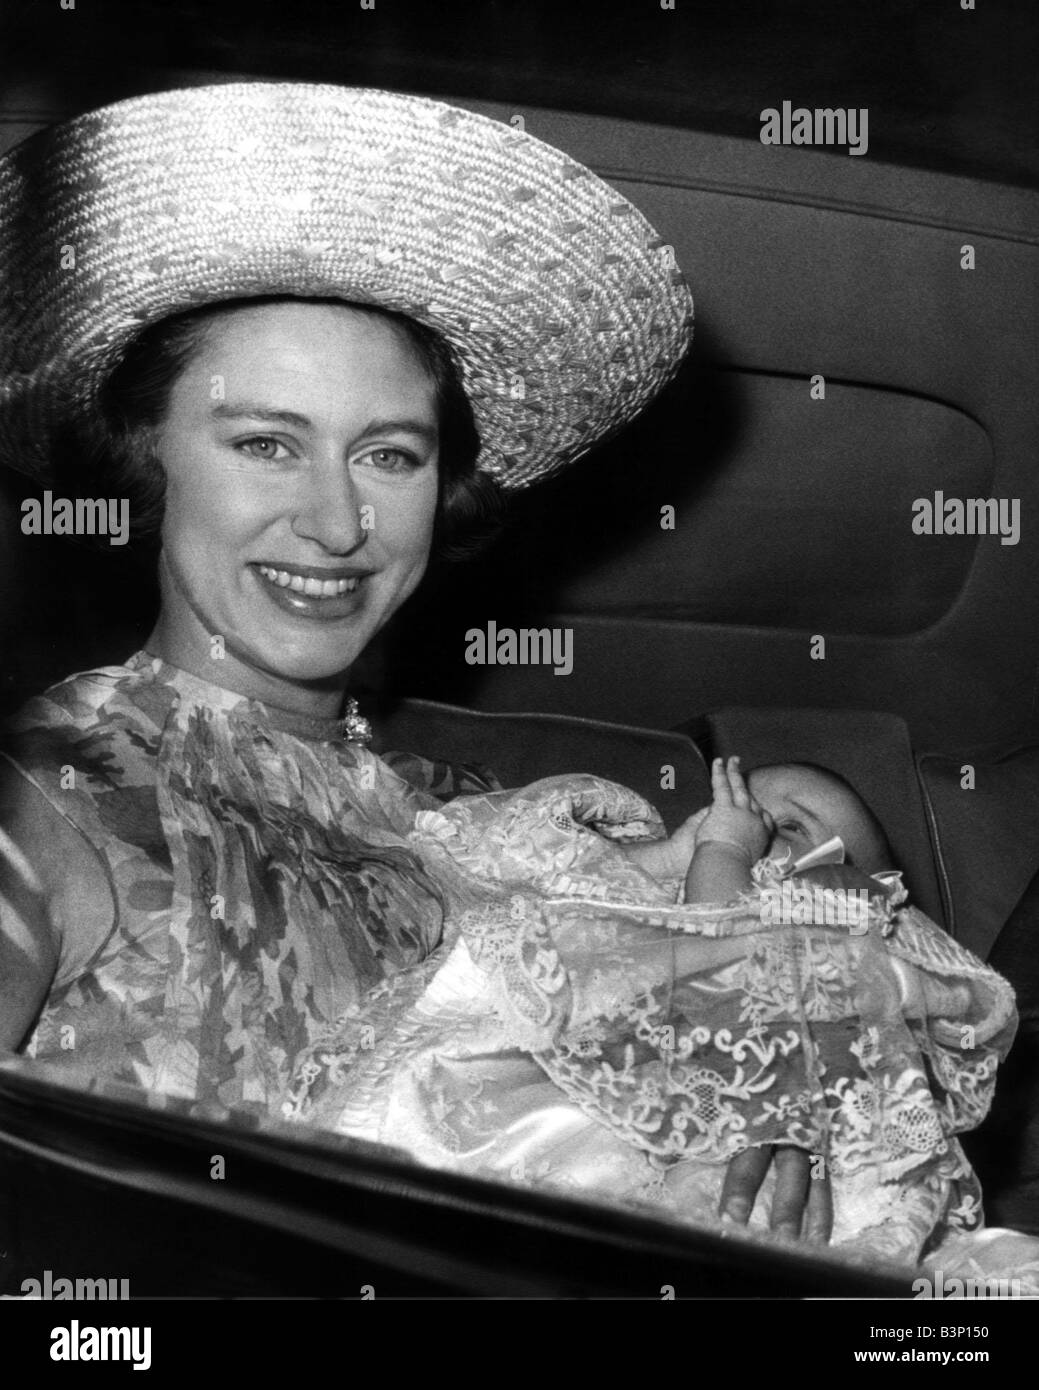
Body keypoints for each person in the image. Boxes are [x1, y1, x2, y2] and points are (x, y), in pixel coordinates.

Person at [0, 80, 1026, 1272]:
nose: (337, 522)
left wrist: (763, 1097)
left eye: (388, 454)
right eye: (265, 443)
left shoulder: (485, 811)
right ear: (147, 460)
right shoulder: (56, 784)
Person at [282, 754, 1031, 1276]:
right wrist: (675, 857)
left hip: (804, 1129)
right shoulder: (644, 894)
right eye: (742, 811)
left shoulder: (829, 921)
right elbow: (579, 914)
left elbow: (721, 941)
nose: (753, 830)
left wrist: (725, 857)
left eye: (792, 830)